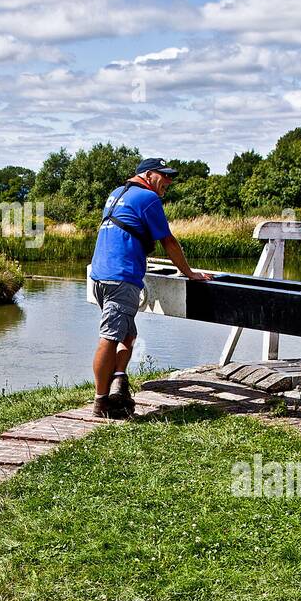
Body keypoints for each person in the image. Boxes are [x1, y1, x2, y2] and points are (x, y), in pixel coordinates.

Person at [89, 158, 210, 418]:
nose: (168, 182)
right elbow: (168, 241)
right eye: (164, 176)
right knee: (110, 337)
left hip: (100, 275)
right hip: (121, 277)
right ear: (148, 175)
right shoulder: (148, 199)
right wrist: (188, 273)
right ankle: (101, 402)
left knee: (127, 336)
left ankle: (119, 383)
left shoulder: (116, 194)